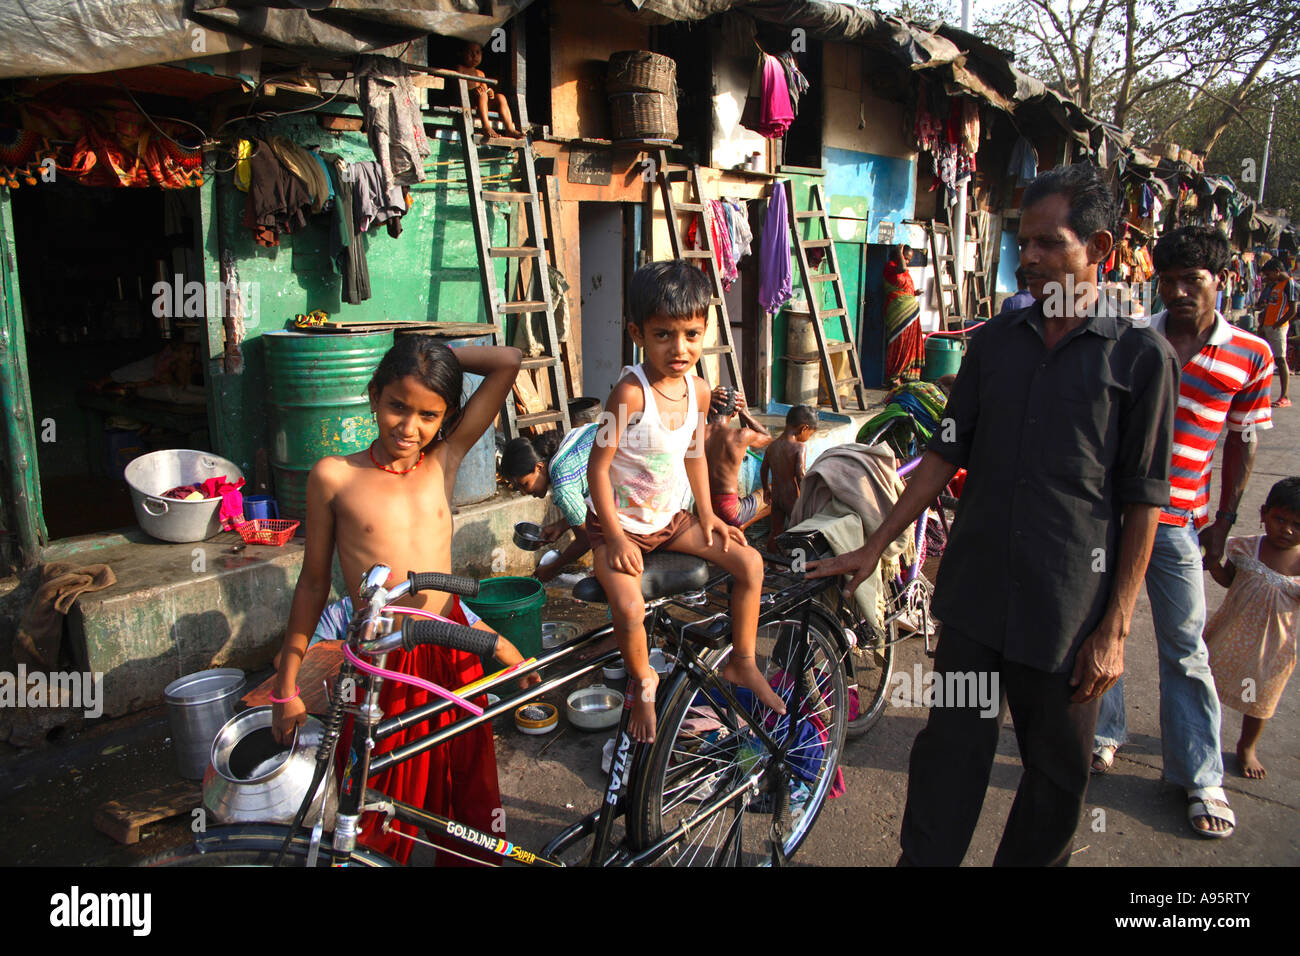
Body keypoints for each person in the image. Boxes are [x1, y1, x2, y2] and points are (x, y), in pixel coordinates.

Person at [808, 163, 1179, 866]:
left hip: (1067, 614)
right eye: (1024, 242)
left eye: (1048, 244)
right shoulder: (997, 345)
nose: (1030, 259)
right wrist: (875, 545)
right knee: (951, 755)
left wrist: (1116, 628)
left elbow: (1143, 502)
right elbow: (945, 457)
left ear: (1099, 247)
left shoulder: (1139, 358)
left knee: (1054, 777)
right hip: (977, 602)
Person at [269, 336, 537, 865]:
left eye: (428, 415)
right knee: (375, 794)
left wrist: (429, 351)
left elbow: (508, 361)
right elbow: (312, 585)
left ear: (446, 418)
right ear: (374, 396)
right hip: (382, 659)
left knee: (466, 784)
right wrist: (284, 688)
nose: (408, 428)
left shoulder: (445, 459)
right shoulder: (334, 476)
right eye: (397, 406)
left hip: (450, 642)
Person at [1090, 226, 1273, 838]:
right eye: (1167, 281)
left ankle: (1200, 776)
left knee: (1185, 645)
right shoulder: (1135, 339)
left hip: (1178, 524)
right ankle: (1104, 732)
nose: (1177, 292)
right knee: (1102, 623)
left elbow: (1243, 443)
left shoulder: (1250, 354)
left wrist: (1224, 521)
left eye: (1191, 280)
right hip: (1113, 514)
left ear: (1220, 279)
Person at [586, 260, 785, 742]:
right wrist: (613, 537)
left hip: (670, 520)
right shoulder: (629, 394)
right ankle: (645, 683)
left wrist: (710, 515)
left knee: (750, 563)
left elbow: (695, 454)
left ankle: (742, 661)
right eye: (663, 335)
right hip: (620, 526)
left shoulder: (698, 391)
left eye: (691, 334)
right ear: (637, 333)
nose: (680, 349)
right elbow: (596, 468)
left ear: (705, 331)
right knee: (631, 610)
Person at [1204, 477, 1300, 780]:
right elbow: (1230, 580)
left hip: (1274, 648)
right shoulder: (1246, 547)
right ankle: (1200, 733)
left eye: (1298, 524)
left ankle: (1247, 747)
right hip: (1229, 634)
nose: (1286, 529)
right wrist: (1214, 563)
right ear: (1264, 513)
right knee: (1205, 685)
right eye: (1280, 519)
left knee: (1260, 703)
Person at [500, 422, 598, 581]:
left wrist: (553, 568)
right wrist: (560, 526)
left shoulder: (562, 485)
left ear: (539, 467)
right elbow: (586, 508)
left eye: (525, 484)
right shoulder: (566, 444)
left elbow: (587, 538)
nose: (526, 493)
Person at [704, 385, 772, 528]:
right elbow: (767, 437)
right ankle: (744, 525)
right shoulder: (741, 435)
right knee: (778, 491)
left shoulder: (696, 433)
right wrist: (744, 412)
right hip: (731, 511)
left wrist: (704, 401)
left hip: (705, 507)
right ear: (734, 413)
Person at [760, 404, 817, 550]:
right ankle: (797, 564)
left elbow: (764, 468)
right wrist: (807, 495)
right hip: (792, 497)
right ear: (803, 428)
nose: (808, 438)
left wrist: (766, 489)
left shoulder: (772, 446)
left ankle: (772, 563)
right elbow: (800, 474)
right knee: (798, 530)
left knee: (775, 530)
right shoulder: (799, 447)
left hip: (777, 495)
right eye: (810, 434)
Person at [455, 41, 523, 138]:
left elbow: (485, 90)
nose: (474, 56)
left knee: (500, 97)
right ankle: (486, 126)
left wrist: (489, 92)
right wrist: (476, 91)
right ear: (461, 53)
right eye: (470, 52)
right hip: (468, 101)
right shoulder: (460, 68)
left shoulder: (480, 73)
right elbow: (458, 88)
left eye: (478, 52)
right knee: (482, 94)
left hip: (481, 103)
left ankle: (510, 129)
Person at [1256, 256, 1297, 407]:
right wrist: (1263, 322)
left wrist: (1277, 324)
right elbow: (1272, 305)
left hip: (1278, 327)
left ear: (1277, 271)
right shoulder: (1276, 285)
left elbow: (1293, 309)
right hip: (1268, 326)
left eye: (1268, 274)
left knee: (1280, 360)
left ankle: (1285, 396)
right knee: (1265, 360)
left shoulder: (1289, 284)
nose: (1267, 278)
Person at [883, 244, 925, 385]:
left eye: (909, 259)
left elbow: (904, 288)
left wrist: (914, 293)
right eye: (906, 258)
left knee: (909, 344)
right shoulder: (891, 266)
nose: (907, 262)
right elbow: (901, 268)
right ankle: (894, 375)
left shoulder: (905, 272)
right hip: (898, 312)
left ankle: (906, 374)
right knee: (899, 342)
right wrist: (899, 252)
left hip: (910, 312)